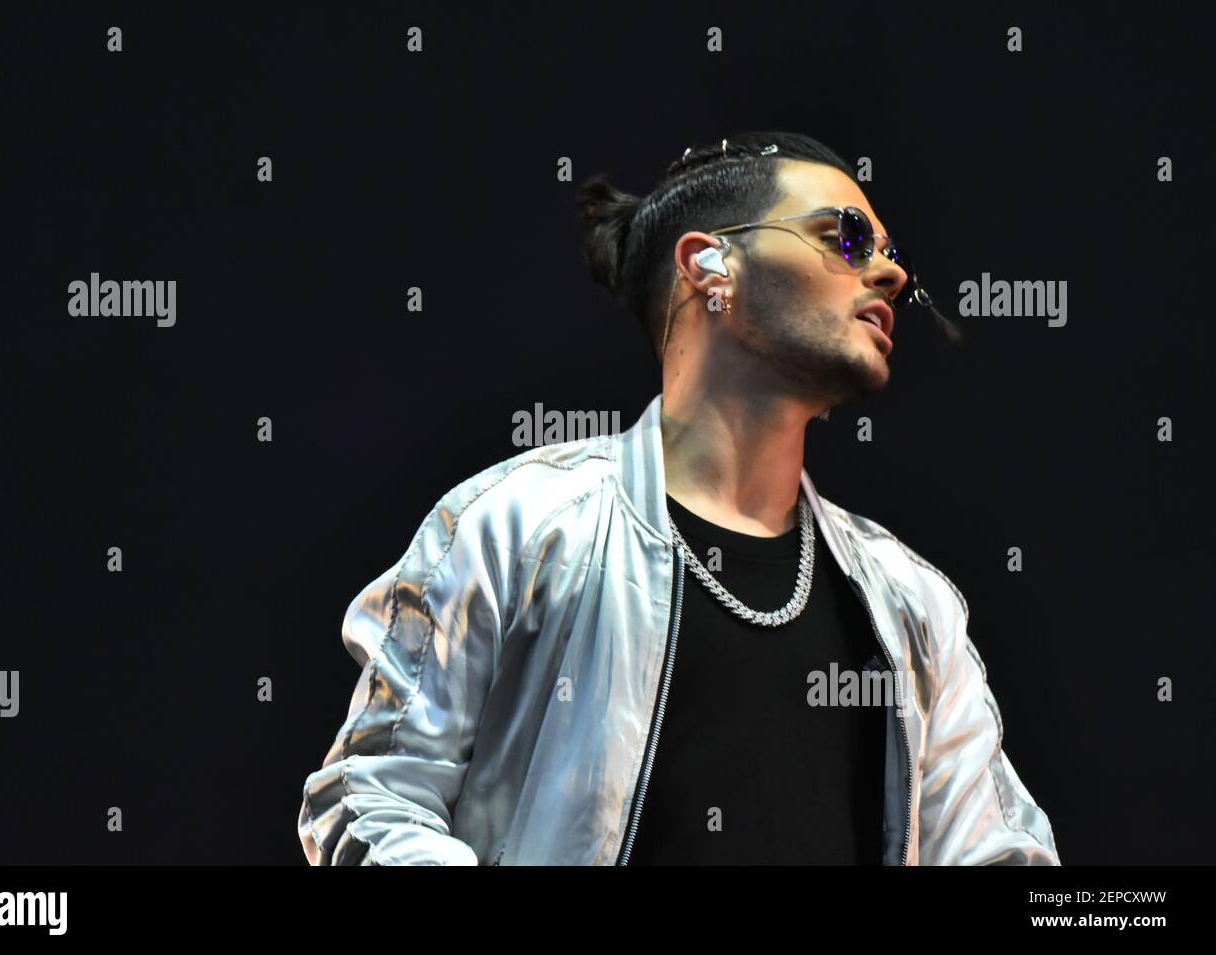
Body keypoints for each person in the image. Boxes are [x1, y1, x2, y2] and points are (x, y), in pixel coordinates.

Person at [296, 130, 1060, 866]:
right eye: (848, 239)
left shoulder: (913, 605)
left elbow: (996, 854)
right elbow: (370, 801)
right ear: (709, 265)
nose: (889, 274)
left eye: (894, 258)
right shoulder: (520, 527)